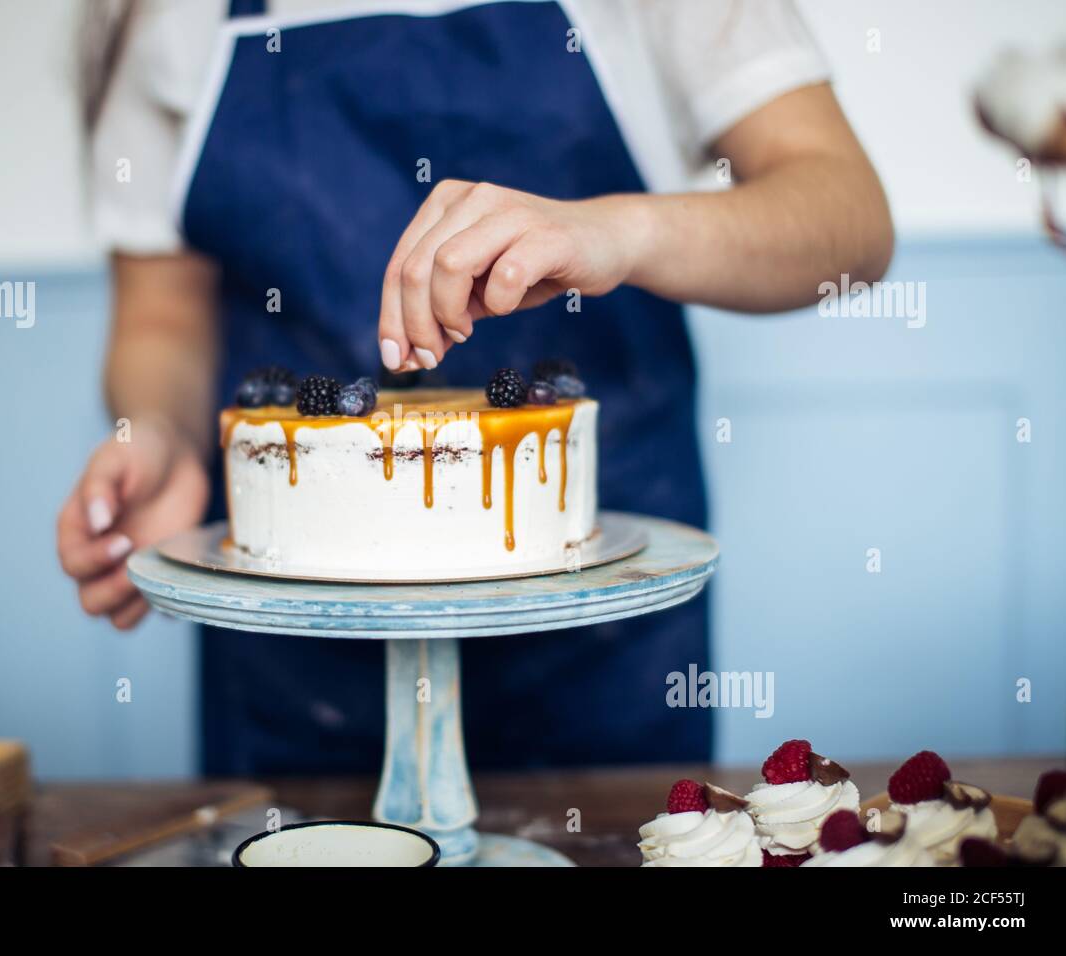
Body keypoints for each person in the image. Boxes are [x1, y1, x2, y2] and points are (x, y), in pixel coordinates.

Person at [57, 0, 892, 774]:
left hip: (600, 628)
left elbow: (849, 217)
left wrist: (621, 226)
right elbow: (161, 309)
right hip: (293, 649)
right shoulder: (171, 18)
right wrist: (159, 433)